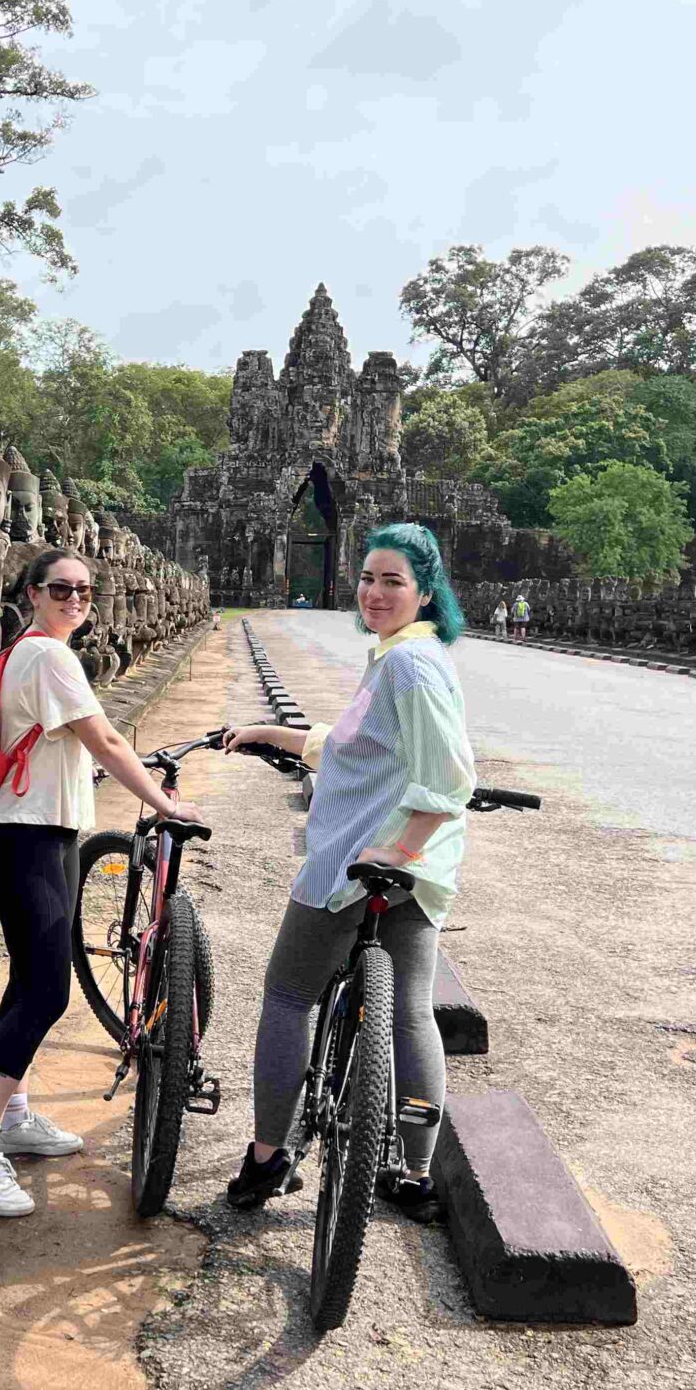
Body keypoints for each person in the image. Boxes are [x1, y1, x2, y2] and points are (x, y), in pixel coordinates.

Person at [220, 522, 476, 1218]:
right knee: (410, 1011)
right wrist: (272, 734)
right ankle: (415, 1173)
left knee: (287, 996)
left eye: (393, 580)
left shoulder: (409, 665)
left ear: (425, 592)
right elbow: (363, 749)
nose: (375, 591)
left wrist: (394, 849)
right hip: (412, 873)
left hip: (363, 863)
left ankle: (268, 1157)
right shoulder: (404, 656)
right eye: (367, 577)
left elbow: (449, 777)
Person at [0, 545, 207, 1217]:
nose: (75, 600)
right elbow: (109, 742)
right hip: (23, 840)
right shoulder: (48, 656)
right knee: (44, 993)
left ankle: (15, 1114)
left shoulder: (26, 657)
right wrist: (165, 804)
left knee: (28, 978)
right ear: (31, 594)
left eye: (85, 592)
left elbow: (63, 745)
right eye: (60, 588)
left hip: (39, 834)